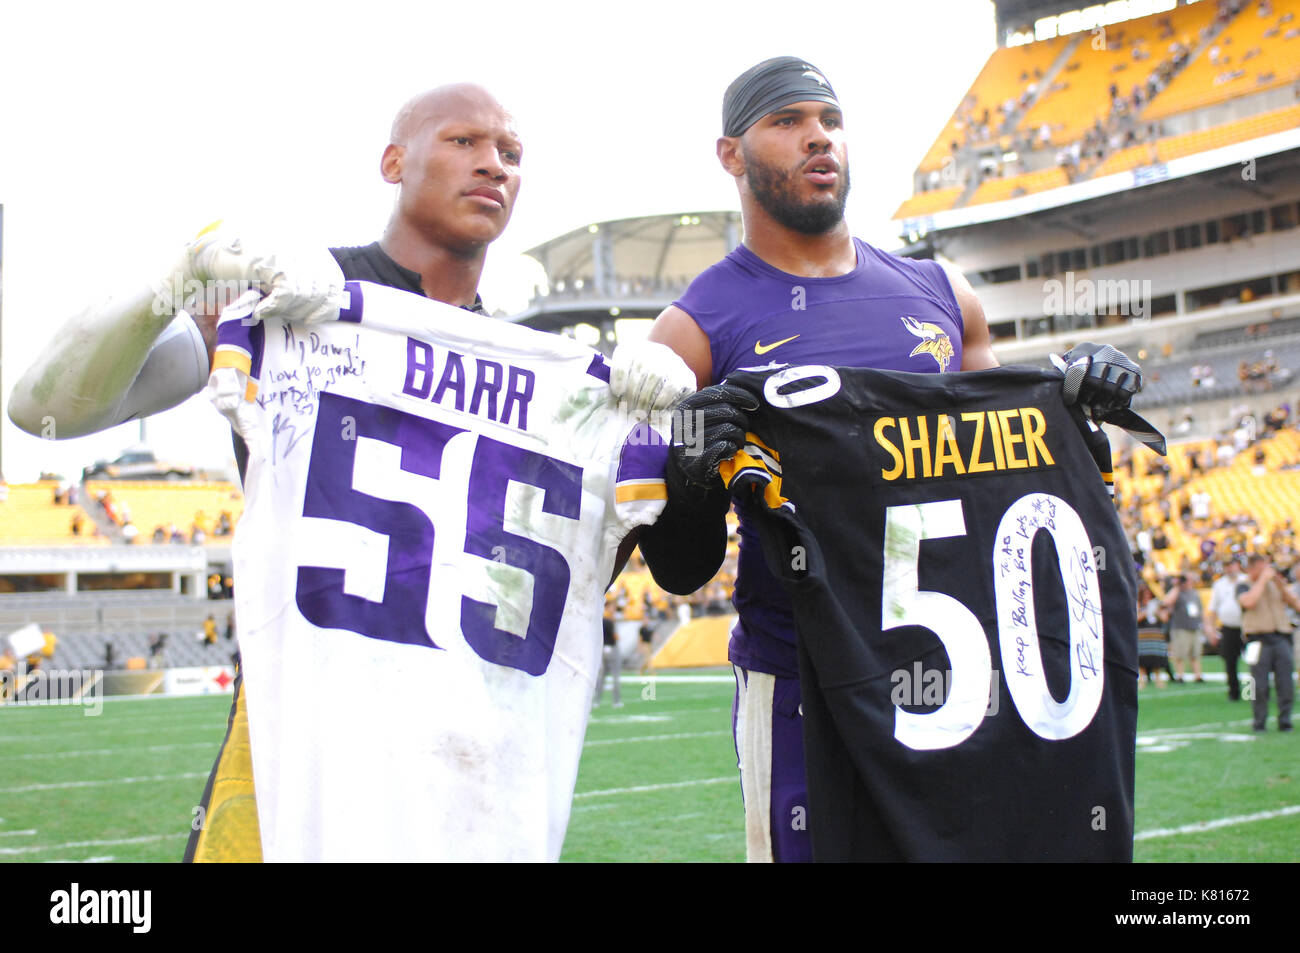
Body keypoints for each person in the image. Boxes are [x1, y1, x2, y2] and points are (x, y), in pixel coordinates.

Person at [9, 84, 692, 862]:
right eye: (464, 141)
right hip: (297, 743)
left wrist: (657, 423)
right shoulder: (302, 298)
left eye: (511, 153)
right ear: (393, 161)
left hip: (467, 765)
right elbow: (42, 408)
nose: (494, 165)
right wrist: (184, 273)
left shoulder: (553, 381)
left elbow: (586, 573)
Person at [634, 56, 1148, 863]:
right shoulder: (690, 330)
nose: (817, 139)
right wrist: (692, 475)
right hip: (803, 679)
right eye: (787, 122)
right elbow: (678, 567)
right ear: (731, 154)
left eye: (829, 121)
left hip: (964, 664)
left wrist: (1079, 402)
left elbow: (1013, 461)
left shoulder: (943, 291)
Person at [1238, 554, 1300, 731]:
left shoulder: (1275, 585)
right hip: (1257, 639)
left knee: (1286, 682)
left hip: (1280, 637)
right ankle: (1259, 721)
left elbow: (1295, 604)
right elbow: (1249, 602)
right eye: (1262, 567)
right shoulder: (1243, 585)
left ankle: (1285, 720)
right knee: (1258, 684)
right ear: (1252, 568)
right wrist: (1263, 580)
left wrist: (1279, 584)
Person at [1206, 556, 1246, 700]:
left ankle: (1253, 693)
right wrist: (1210, 629)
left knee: (1253, 661)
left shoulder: (1246, 580)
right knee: (1230, 661)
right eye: (1226, 565)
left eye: (1232, 565)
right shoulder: (1219, 584)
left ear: (1238, 565)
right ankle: (1233, 692)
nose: (1229, 568)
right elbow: (1213, 609)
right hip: (1228, 627)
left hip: (1247, 626)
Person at [1162, 572, 1205, 683]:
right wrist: (1177, 586)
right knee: (1180, 654)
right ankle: (1180, 675)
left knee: (1195, 653)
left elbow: (1201, 610)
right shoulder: (1176, 593)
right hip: (1180, 627)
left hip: (1194, 626)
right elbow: (1166, 602)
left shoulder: (1194, 593)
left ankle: (1198, 675)